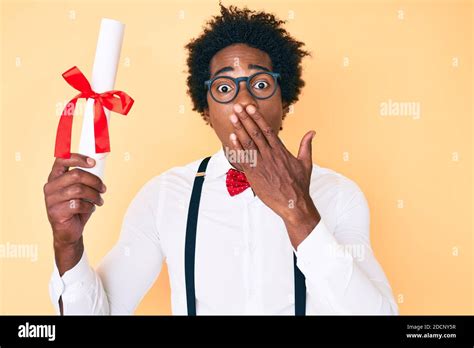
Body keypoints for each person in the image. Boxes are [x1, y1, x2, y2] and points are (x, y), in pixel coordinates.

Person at [44, 3, 398, 315]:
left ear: (285, 101)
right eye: (225, 88)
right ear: (207, 111)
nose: (244, 102)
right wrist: (67, 245)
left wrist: (299, 213)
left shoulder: (339, 194)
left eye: (260, 85)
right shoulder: (164, 196)